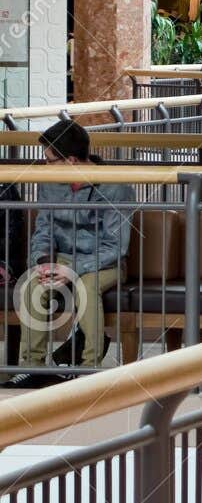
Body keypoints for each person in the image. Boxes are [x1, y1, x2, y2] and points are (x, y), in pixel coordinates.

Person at [9, 119, 133, 388]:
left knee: (86, 288)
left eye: (50, 160)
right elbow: (43, 229)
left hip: (104, 262)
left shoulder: (116, 186)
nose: (45, 167)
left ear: (72, 160)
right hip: (61, 260)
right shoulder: (50, 183)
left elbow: (115, 247)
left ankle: (90, 370)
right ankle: (32, 368)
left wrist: (71, 269)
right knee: (32, 285)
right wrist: (43, 262)